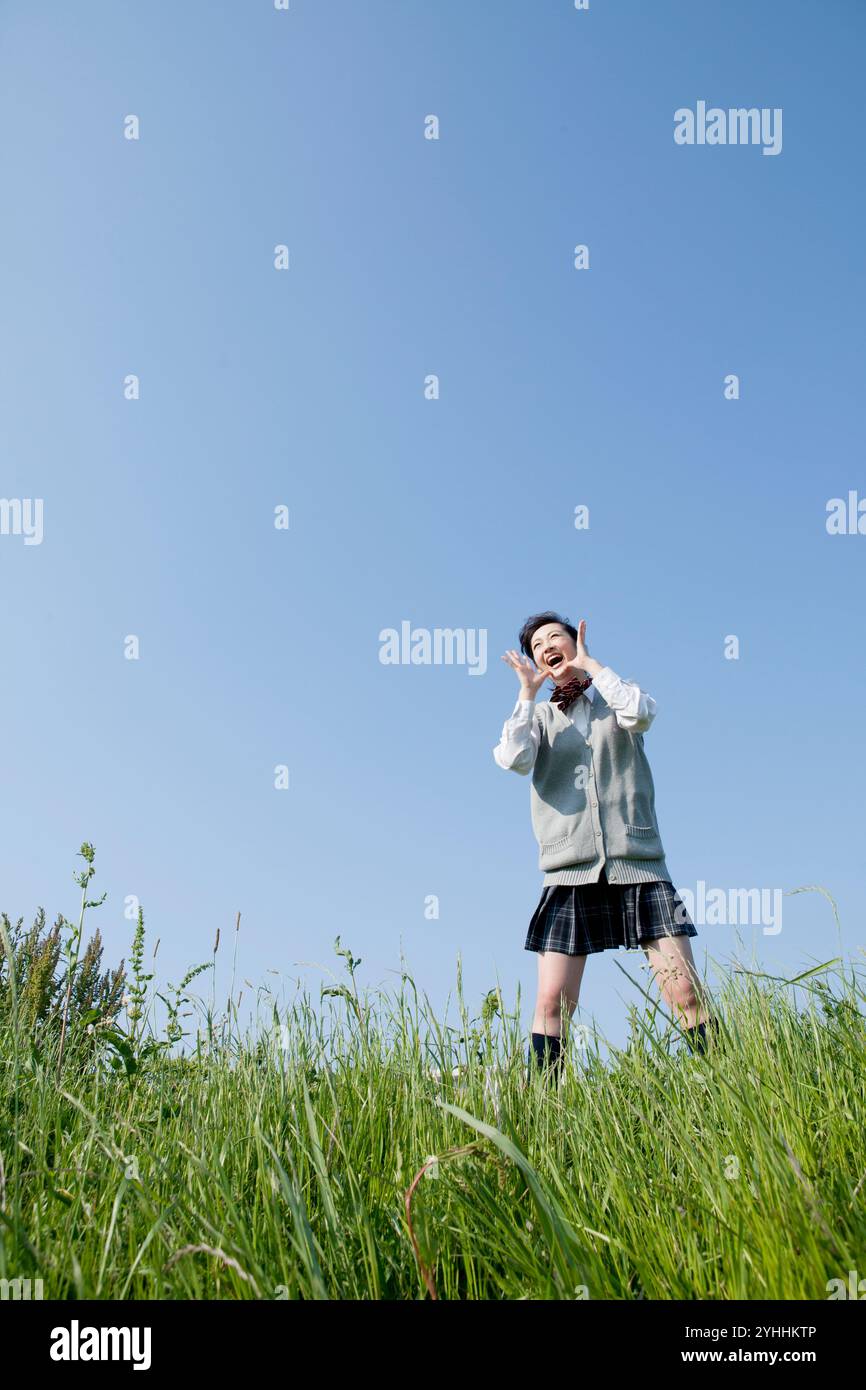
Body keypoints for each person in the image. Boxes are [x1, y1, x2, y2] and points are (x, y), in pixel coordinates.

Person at [493, 610, 718, 1084]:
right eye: (538, 646)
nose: (546, 647)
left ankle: (727, 1085)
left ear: (576, 642)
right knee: (551, 1004)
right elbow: (512, 759)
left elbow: (641, 713)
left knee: (686, 995)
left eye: (556, 637)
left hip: (638, 864)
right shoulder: (538, 718)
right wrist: (527, 694)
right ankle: (544, 1112)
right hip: (569, 872)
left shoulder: (614, 698)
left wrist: (594, 667)